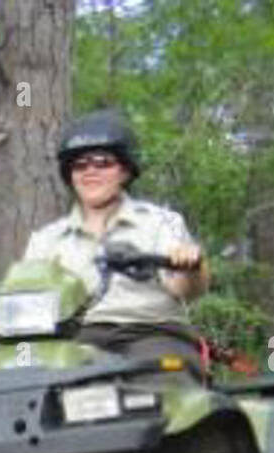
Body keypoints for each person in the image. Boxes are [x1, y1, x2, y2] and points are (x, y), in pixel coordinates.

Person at [23, 110, 209, 369]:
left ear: (125, 170)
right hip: (77, 342)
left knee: (163, 391)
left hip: (152, 334)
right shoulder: (46, 240)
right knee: (23, 386)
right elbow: (30, 305)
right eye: (80, 165)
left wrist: (190, 266)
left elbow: (186, 289)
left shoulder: (160, 222)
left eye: (102, 162)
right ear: (70, 175)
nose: (90, 171)